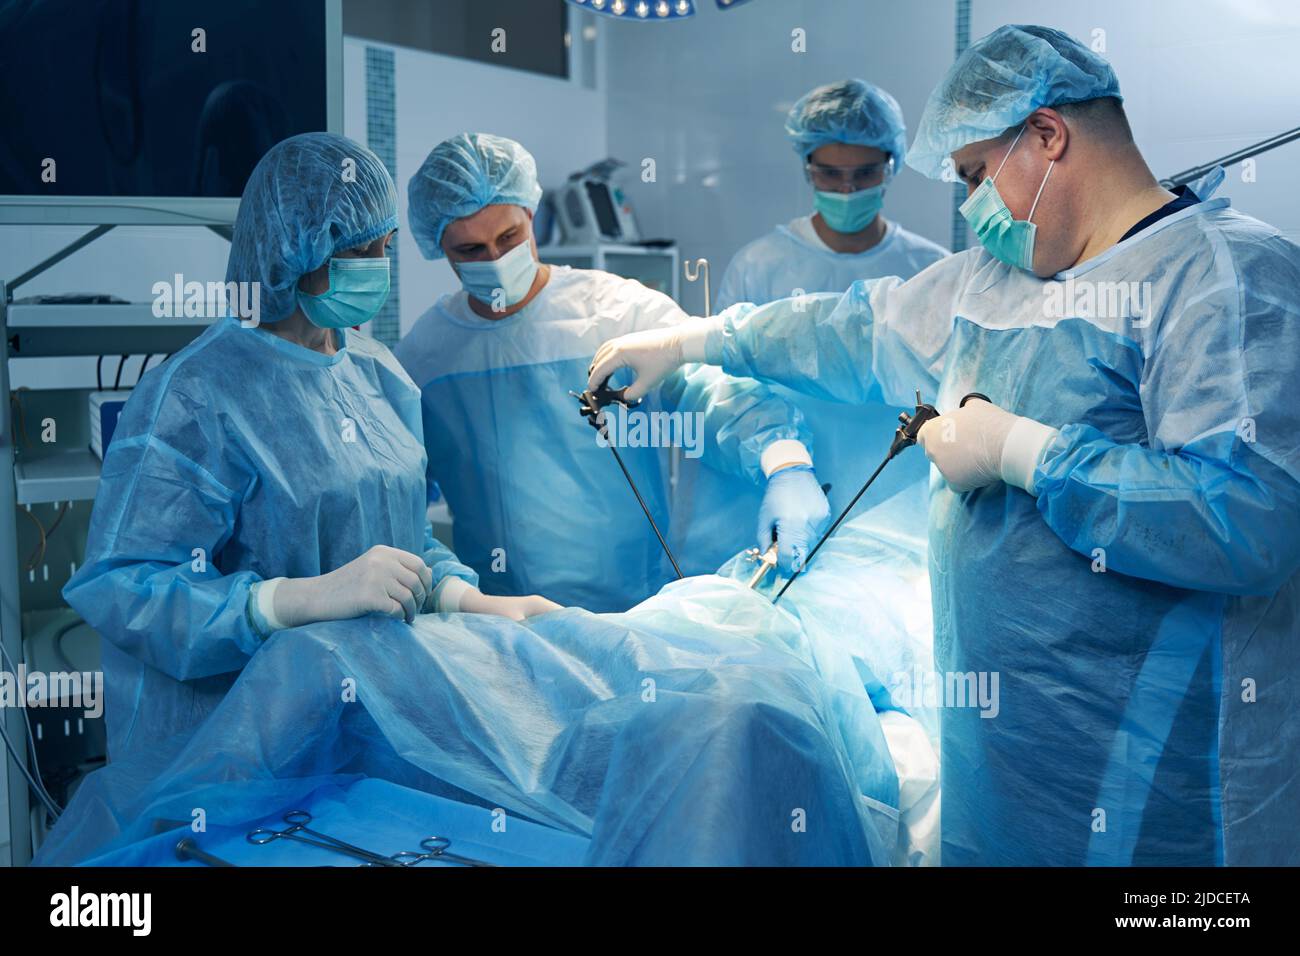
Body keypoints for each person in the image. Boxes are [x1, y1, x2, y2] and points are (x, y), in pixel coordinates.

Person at [588, 25, 1300, 865]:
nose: (970, 207)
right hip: (996, 760)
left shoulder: (1221, 276)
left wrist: (1023, 453)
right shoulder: (990, 281)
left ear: (1047, 135)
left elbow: (1251, 521)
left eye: (972, 175)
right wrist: (697, 340)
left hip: (1156, 775)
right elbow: (849, 329)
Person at [63, 132, 559, 764]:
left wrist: (468, 600)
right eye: (359, 252)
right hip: (243, 753)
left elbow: (403, 541)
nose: (378, 267)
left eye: (383, 249)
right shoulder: (196, 395)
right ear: (294, 250)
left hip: (379, 724)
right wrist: (292, 600)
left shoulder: (377, 374)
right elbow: (125, 588)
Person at [394, 133, 830, 611]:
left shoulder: (618, 312)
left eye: (509, 238)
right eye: (471, 251)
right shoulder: (426, 355)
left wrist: (785, 462)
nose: (495, 261)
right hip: (499, 624)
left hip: (630, 611)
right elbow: (400, 484)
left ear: (531, 217)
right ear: (440, 248)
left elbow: (716, 394)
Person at [679, 79, 948, 571]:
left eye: (864, 173)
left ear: (892, 164)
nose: (846, 189)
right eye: (829, 174)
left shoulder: (929, 270)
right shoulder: (760, 264)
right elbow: (727, 390)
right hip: (779, 493)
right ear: (807, 168)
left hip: (891, 508)